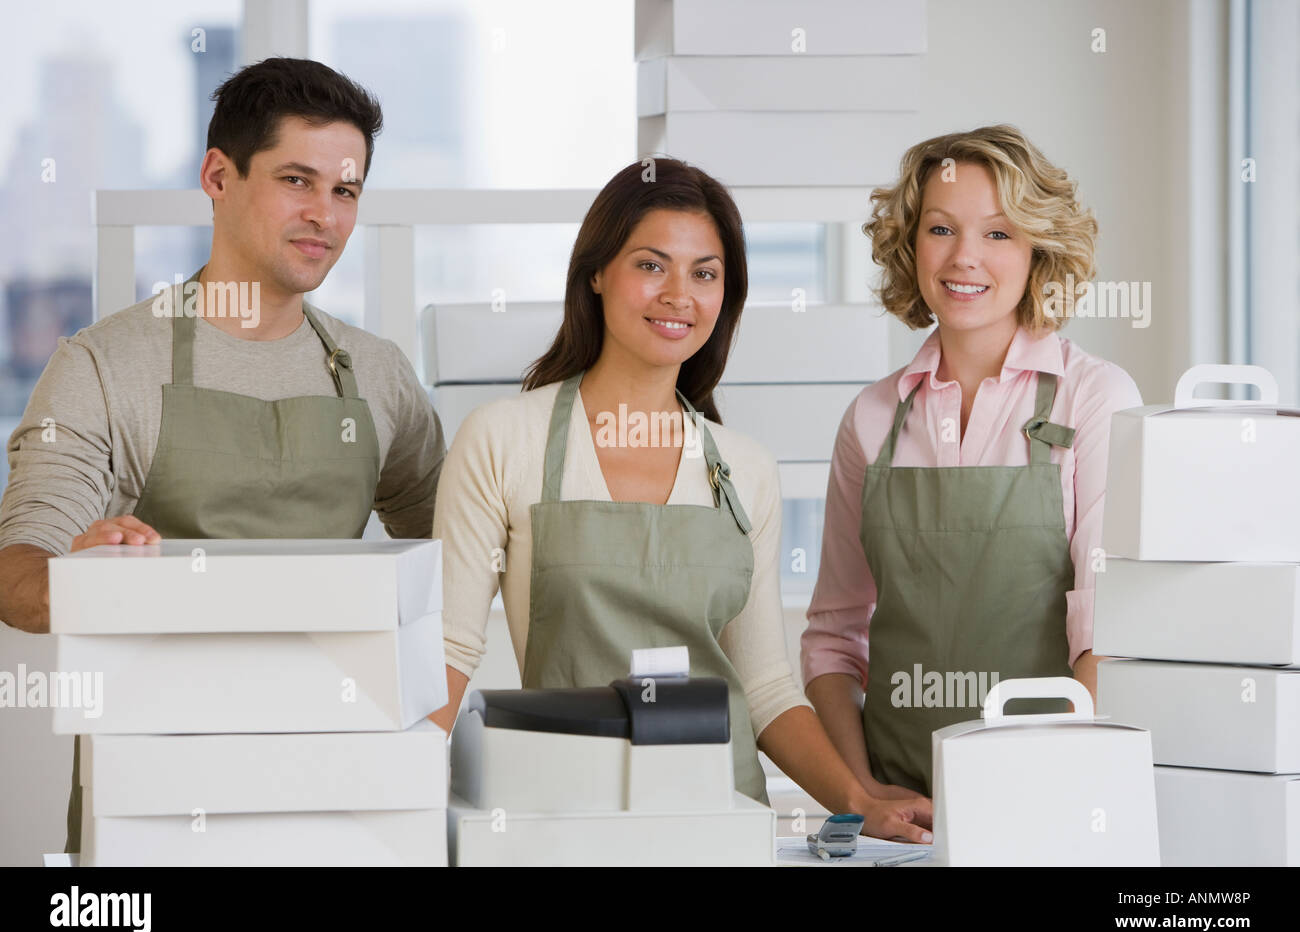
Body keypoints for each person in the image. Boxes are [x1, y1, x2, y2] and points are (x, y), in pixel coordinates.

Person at [0, 58, 447, 851]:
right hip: (155, 796)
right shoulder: (105, 365)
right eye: (296, 181)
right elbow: (16, 573)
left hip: (338, 786)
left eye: (345, 191)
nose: (325, 215)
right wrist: (82, 574)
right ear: (218, 175)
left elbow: (450, 562)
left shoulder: (377, 374)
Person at [429, 158, 932, 843]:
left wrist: (858, 799)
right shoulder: (502, 441)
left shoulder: (745, 470)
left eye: (704, 273)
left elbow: (765, 688)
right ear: (597, 273)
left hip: (723, 826)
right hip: (566, 824)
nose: (678, 294)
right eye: (651, 265)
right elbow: (451, 652)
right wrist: (392, 813)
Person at [801, 125, 1143, 800]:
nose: (964, 258)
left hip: (1052, 798)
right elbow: (833, 640)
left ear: (1036, 247)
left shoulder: (1096, 398)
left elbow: (1109, 627)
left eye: (997, 233)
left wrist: (1043, 791)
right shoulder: (870, 420)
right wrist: (862, 792)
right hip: (904, 817)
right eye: (940, 229)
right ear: (910, 242)